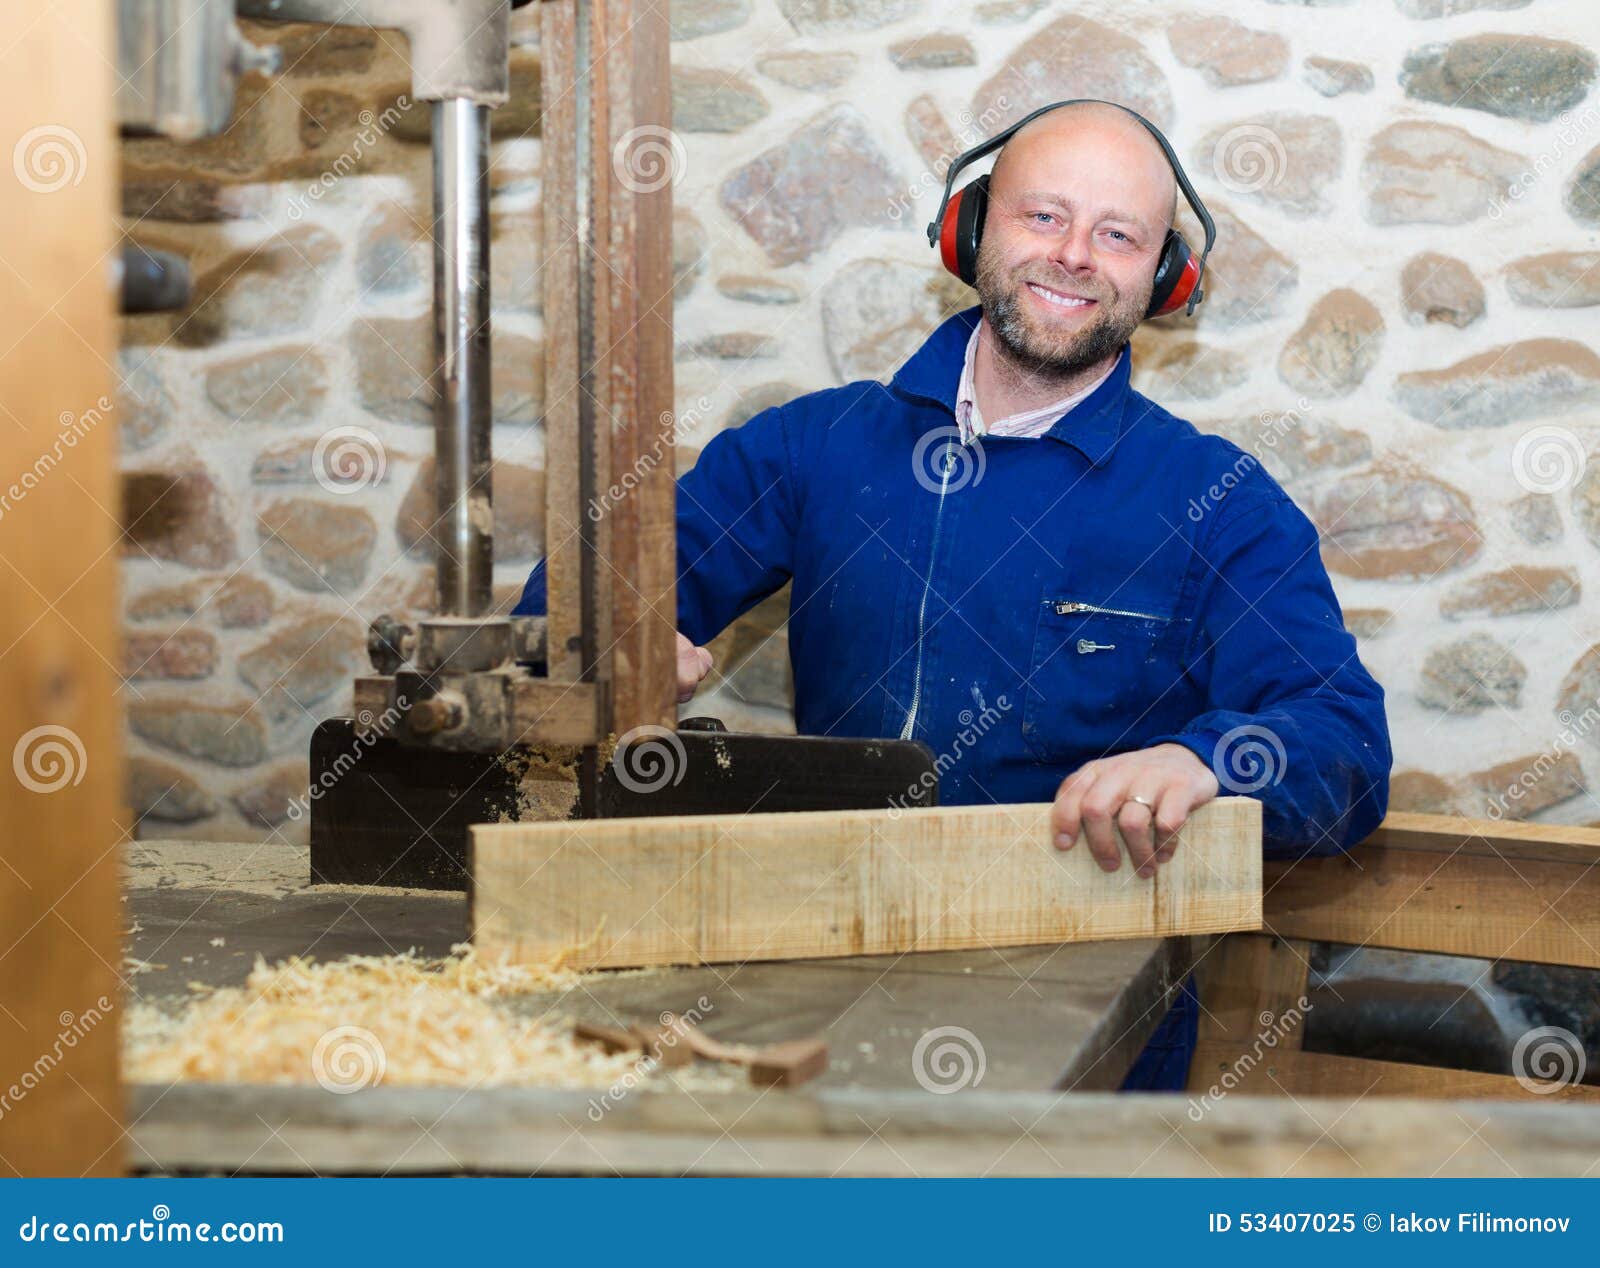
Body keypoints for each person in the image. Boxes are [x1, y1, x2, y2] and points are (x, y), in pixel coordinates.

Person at [517, 100, 1391, 1089]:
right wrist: (611, 647)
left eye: (1117, 235)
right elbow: (582, 600)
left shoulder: (1217, 499)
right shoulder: (818, 445)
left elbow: (1345, 740)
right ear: (969, 229)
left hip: (1087, 1042)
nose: (1073, 255)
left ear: (1164, 276)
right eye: (1042, 215)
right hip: (820, 999)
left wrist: (1206, 761)